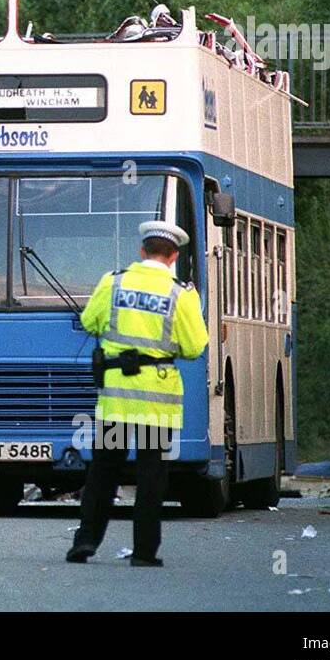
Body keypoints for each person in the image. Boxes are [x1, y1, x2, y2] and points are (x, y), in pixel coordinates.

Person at [66, 219, 209, 567]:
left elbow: (89, 322)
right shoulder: (180, 294)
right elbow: (195, 346)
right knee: (151, 476)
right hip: (156, 406)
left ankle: (84, 543)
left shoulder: (113, 283)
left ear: (141, 250)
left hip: (117, 400)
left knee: (103, 473)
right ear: (173, 256)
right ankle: (144, 553)